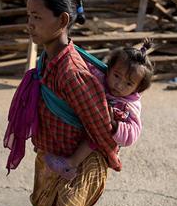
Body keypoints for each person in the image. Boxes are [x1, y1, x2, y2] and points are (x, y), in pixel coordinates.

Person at [22, 0, 121, 206]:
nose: (30, 24)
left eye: (37, 17)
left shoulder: (72, 73)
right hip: (50, 159)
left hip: (72, 169)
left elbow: (102, 129)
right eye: (28, 16)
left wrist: (111, 159)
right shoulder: (46, 62)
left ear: (63, 20)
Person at [43, 40, 154, 180]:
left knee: (93, 137)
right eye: (116, 76)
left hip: (102, 139)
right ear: (109, 69)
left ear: (137, 89)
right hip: (81, 125)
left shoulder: (129, 105)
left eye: (128, 83)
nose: (119, 85)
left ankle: (71, 164)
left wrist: (114, 125)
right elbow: (84, 68)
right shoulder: (100, 77)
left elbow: (133, 132)